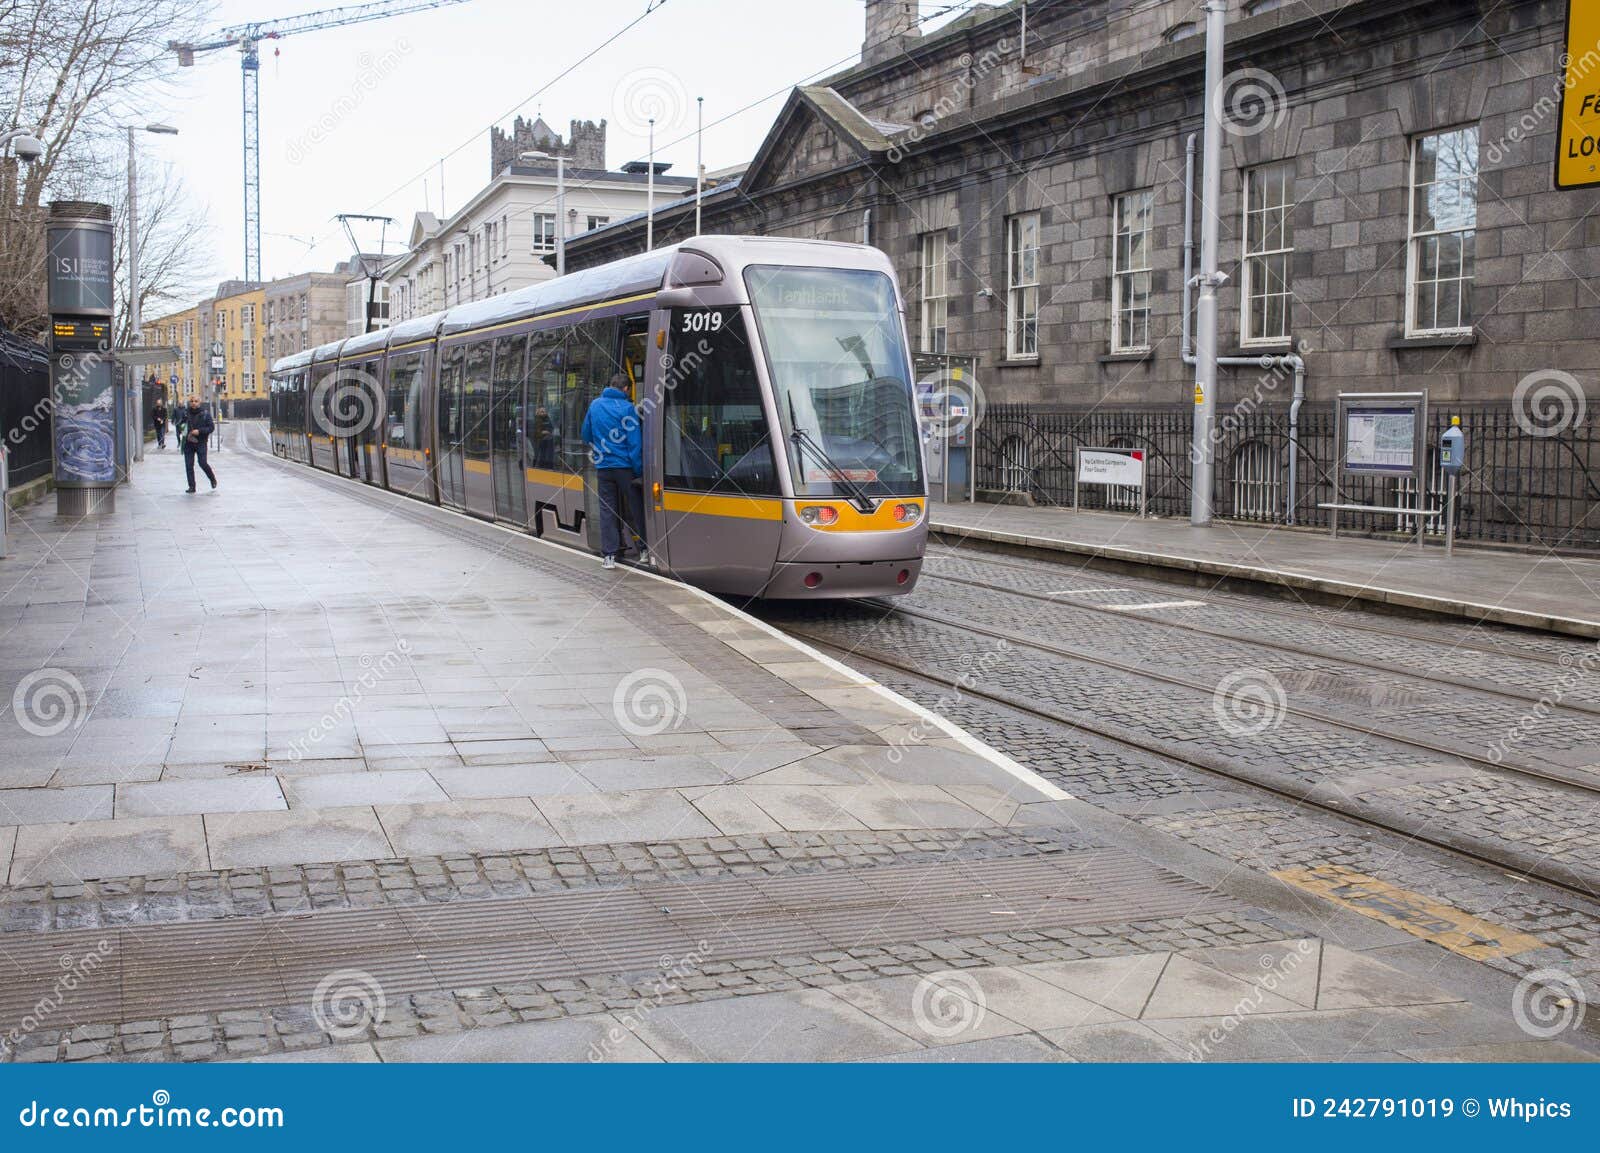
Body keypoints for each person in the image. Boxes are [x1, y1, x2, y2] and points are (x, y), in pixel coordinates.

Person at [580, 373, 646, 569]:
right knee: (636, 507)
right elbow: (635, 443)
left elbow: (586, 434)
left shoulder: (595, 405)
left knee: (607, 510)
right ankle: (644, 549)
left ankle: (609, 556)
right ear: (625, 389)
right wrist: (638, 470)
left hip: (603, 468)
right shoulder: (627, 408)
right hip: (625, 467)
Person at [181, 396, 217, 493]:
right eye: (191, 401)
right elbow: (181, 424)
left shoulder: (205, 414)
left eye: (196, 401)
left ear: (199, 402)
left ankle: (212, 478)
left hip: (201, 442)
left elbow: (211, 428)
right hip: (188, 442)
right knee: (189, 465)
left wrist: (200, 431)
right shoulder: (185, 413)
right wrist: (182, 427)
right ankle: (192, 487)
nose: (193, 403)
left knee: (202, 463)